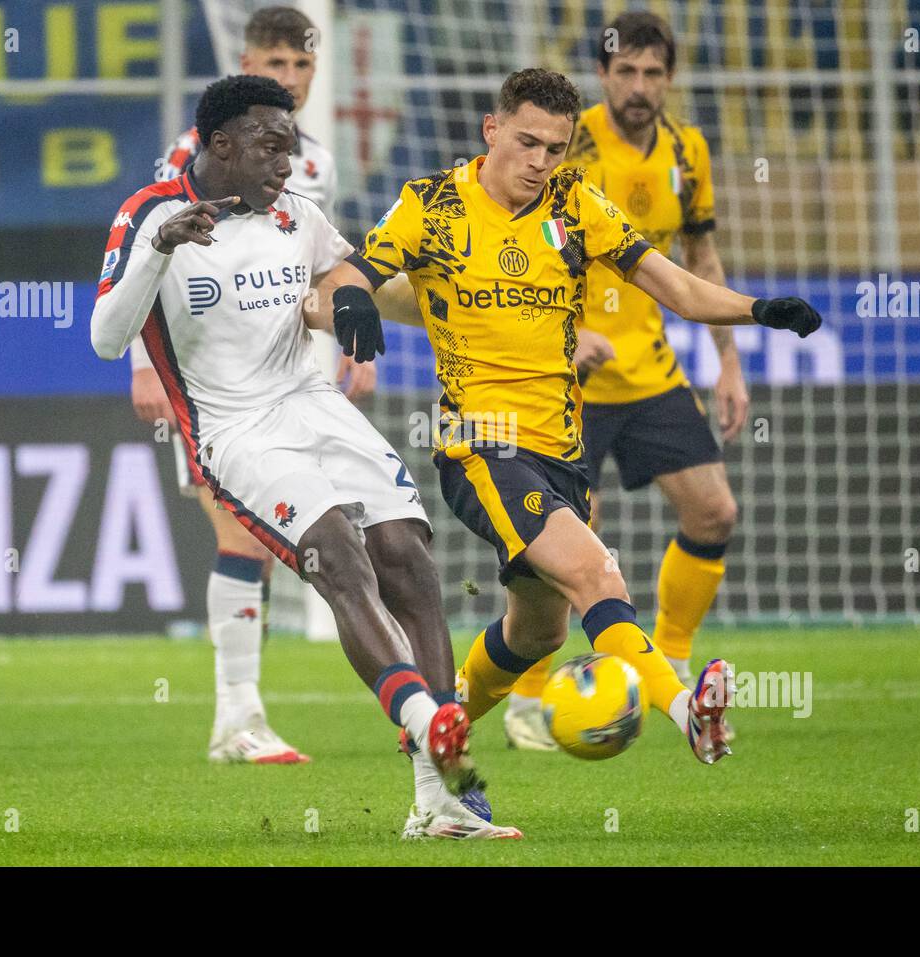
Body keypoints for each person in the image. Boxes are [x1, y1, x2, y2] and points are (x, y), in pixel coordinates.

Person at [315, 69, 821, 766]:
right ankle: (687, 713)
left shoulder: (576, 206)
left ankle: (437, 723)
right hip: (479, 445)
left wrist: (757, 310)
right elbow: (349, 272)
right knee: (597, 574)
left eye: (555, 148)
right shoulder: (430, 205)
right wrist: (351, 303)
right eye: (526, 143)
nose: (539, 162)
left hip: (561, 449)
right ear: (492, 131)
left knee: (538, 632)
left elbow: (671, 284)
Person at [92, 75, 520, 839]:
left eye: (289, 147)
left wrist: (352, 300)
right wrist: (158, 251)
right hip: (237, 429)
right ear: (219, 145)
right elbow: (104, 335)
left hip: (314, 404)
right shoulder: (150, 212)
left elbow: (338, 282)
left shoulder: (298, 215)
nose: (285, 164)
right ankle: (429, 721)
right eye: (269, 146)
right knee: (336, 554)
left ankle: (438, 803)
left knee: (408, 557)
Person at [503, 11, 750, 749]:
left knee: (714, 511)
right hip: (564, 379)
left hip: (648, 371)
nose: (640, 86)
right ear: (603, 76)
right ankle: (526, 697)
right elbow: (507, 245)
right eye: (626, 72)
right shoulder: (561, 147)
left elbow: (699, 262)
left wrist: (728, 360)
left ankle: (668, 658)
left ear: (668, 78)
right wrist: (567, 332)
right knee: (571, 551)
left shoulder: (687, 150)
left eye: (653, 73)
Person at [128, 7, 363, 765]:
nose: (287, 80)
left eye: (298, 68)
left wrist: (354, 344)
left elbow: (323, 263)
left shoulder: (315, 163)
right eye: (273, 65)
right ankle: (237, 716)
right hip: (206, 382)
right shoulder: (190, 154)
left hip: (294, 383)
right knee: (244, 539)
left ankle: (244, 713)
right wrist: (142, 364)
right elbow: (147, 250)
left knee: (316, 541)